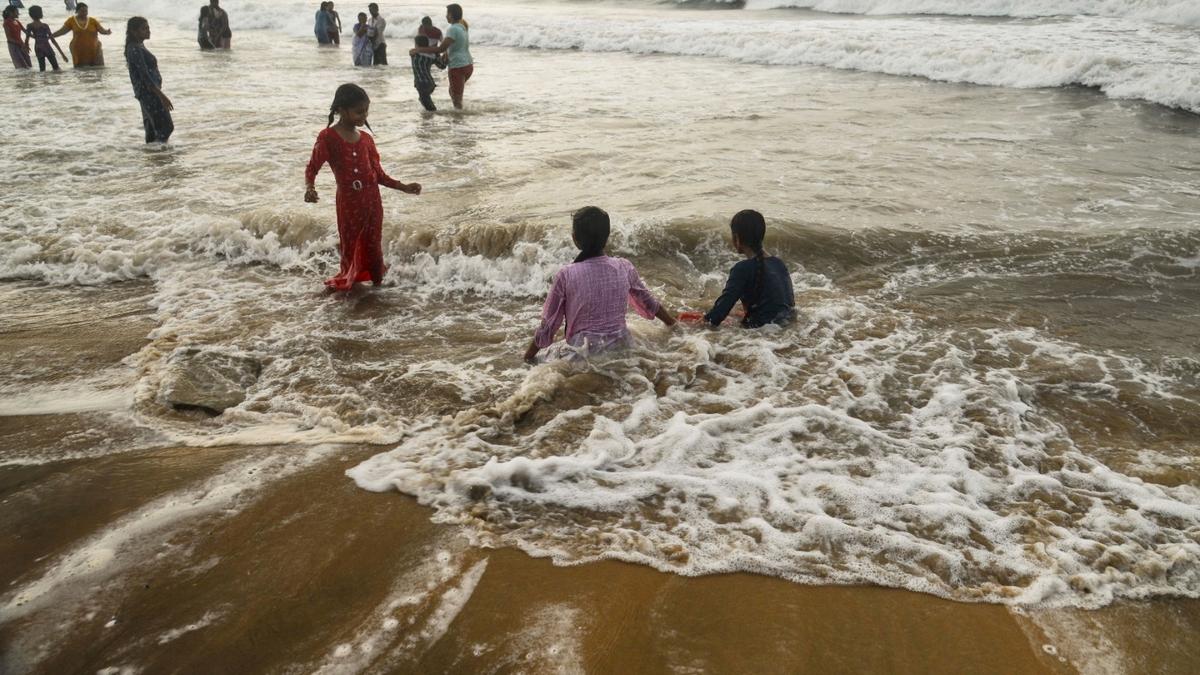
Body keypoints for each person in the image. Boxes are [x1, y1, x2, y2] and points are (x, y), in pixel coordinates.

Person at [304, 84, 421, 292]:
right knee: (350, 247)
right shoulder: (328, 137)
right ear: (340, 109)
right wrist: (309, 188)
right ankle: (351, 290)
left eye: (366, 111)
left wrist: (404, 187)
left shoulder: (366, 140)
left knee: (373, 247)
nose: (363, 115)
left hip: (373, 202)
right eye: (359, 111)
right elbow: (312, 167)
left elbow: (379, 175)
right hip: (349, 203)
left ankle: (378, 290)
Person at [524, 207, 676, 363]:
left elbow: (548, 324)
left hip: (584, 353)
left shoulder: (566, 275)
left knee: (540, 363)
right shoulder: (624, 266)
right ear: (607, 237)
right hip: (623, 348)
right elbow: (649, 302)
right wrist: (673, 323)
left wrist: (528, 356)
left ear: (575, 239)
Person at [701, 210, 795, 328]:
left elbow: (719, 312)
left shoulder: (742, 268)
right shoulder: (779, 263)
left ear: (737, 238)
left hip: (761, 332)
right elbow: (785, 304)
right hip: (787, 325)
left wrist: (699, 324)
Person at [410, 3, 471, 109]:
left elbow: (440, 49)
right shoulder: (462, 27)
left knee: (456, 98)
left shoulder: (452, 29)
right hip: (468, 65)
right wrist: (446, 54)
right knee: (453, 92)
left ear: (451, 15)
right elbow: (453, 46)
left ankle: (459, 121)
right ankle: (460, 116)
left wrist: (419, 49)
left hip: (458, 66)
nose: (446, 16)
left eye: (447, 13)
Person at [124, 17, 173, 144]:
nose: (148, 31)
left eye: (148, 28)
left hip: (147, 92)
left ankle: (153, 156)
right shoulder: (134, 48)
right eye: (144, 29)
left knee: (152, 129)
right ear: (134, 32)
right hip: (149, 93)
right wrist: (162, 96)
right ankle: (160, 156)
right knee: (166, 127)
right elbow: (144, 76)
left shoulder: (138, 45)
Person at [50, 2, 110, 67]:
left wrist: (107, 32)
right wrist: (51, 36)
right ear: (77, 11)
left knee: (98, 69)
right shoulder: (71, 21)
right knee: (81, 72)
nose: (84, 13)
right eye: (82, 11)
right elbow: (62, 31)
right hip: (79, 51)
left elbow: (101, 30)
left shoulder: (93, 21)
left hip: (95, 49)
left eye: (86, 11)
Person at [24, 5, 64, 71]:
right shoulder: (45, 26)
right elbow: (53, 40)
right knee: (56, 67)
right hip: (47, 47)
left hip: (38, 48)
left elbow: (27, 38)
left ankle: (43, 80)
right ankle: (56, 80)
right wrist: (62, 54)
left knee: (42, 69)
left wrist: (26, 46)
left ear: (31, 15)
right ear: (40, 14)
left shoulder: (30, 25)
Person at [410, 35, 444, 111]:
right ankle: (428, 120)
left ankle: (433, 119)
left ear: (417, 44)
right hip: (430, 84)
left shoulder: (415, 54)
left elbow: (411, 51)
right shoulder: (432, 55)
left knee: (430, 109)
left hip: (421, 83)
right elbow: (442, 66)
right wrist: (439, 53)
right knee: (425, 102)